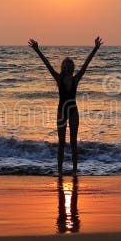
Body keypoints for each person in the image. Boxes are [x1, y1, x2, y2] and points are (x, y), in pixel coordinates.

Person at [28, 36, 103, 175]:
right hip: (62, 111)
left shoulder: (76, 79)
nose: (69, 67)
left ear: (73, 68)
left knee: (74, 142)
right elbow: (48, 65)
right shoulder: (59, 78)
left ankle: (75, 171)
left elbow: (86, 64)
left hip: (73, 111)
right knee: (61, 143)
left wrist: (95, 49)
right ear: (63, 67)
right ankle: (60, 171)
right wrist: (37, 50)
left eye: (71, 65)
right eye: (66, 65)